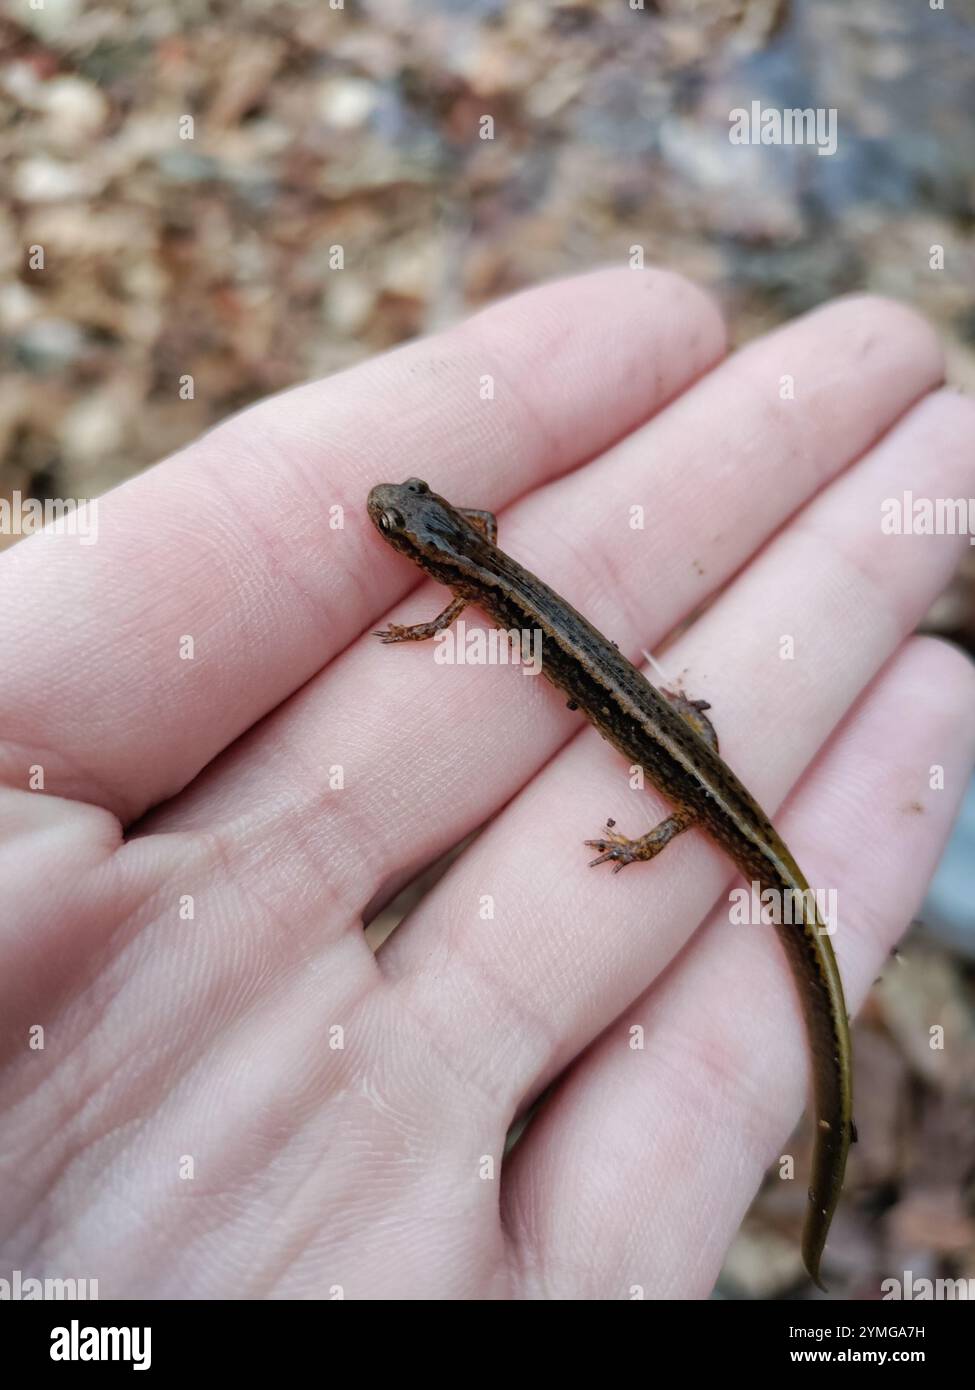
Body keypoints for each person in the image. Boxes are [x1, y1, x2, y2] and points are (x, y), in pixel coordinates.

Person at [2, 267, 973, 1298]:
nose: (394, 519)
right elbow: (466, 577)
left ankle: (810, 1134)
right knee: (697, 774)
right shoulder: (483, 574)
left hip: (695, 781)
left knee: (688, 796)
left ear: (446, 556)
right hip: (684, 750)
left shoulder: (473, 586)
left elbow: (453, 605)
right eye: (407, 523)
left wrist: (648, 839)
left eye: (407, 524)